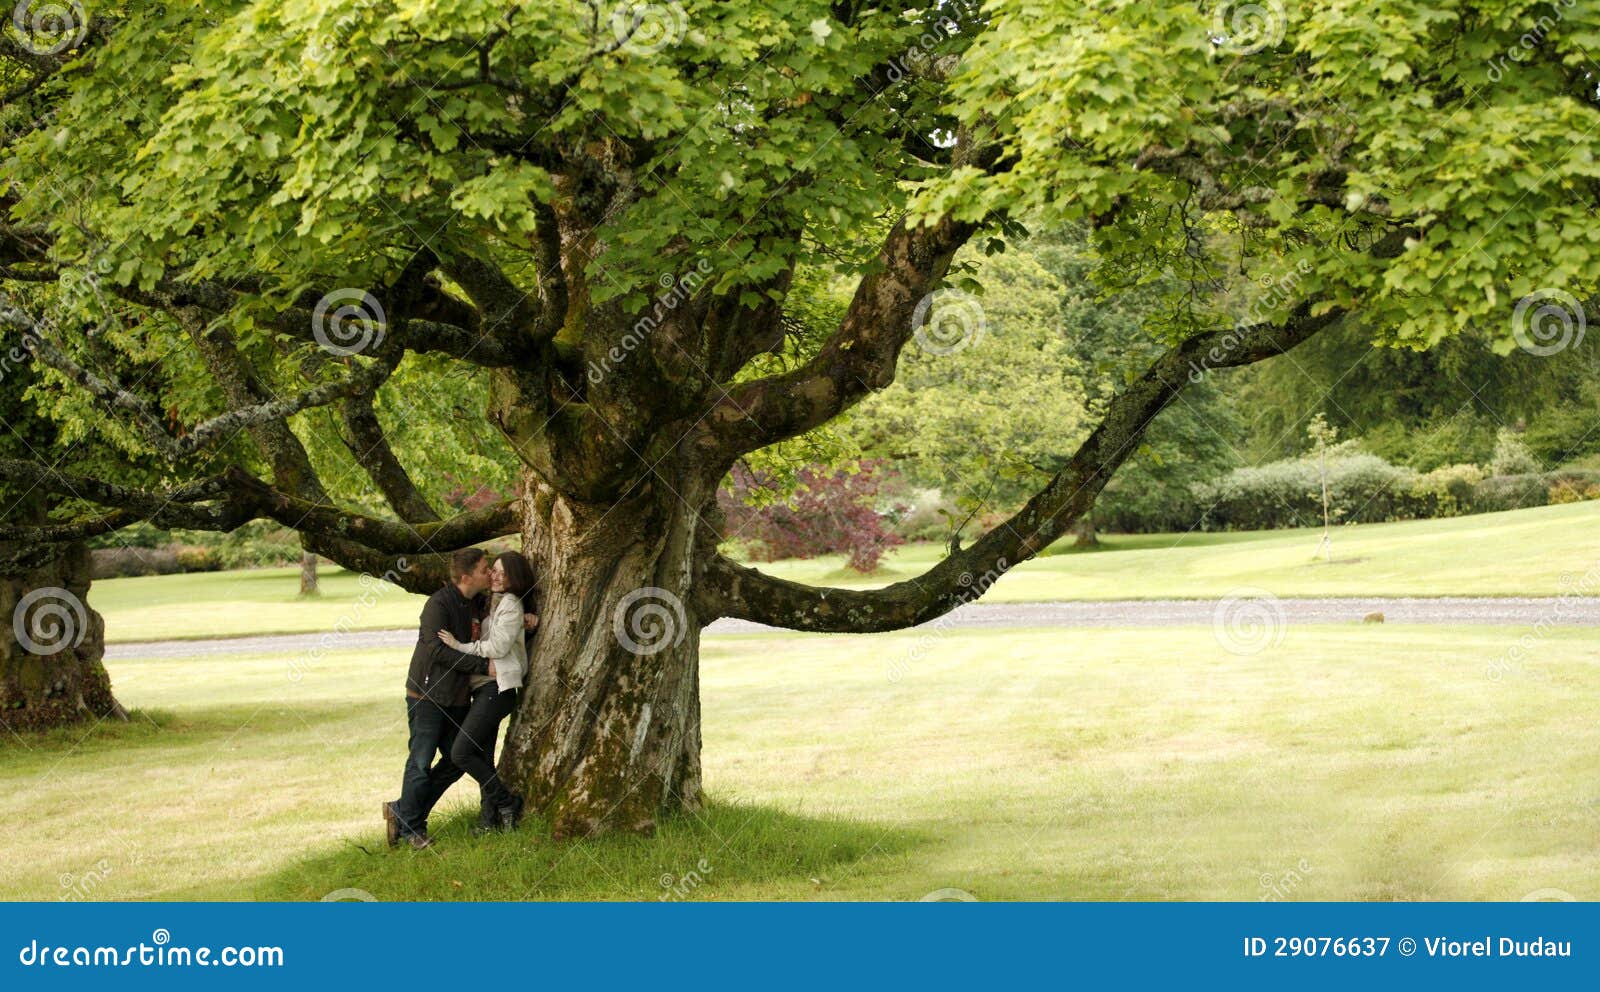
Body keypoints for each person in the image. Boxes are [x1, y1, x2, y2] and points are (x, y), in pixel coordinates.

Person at [381, 548, 494, 850]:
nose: (490, 573)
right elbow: (436, 650)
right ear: (467, 576)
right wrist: (483, 667)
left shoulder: (478, 603)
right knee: (420, 762)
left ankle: (402, 811)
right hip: (427, 697)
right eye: (485, 569)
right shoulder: (438, 604)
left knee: (457, 760)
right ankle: (414, 829)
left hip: (457, 699)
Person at [440, 551, 538, 834]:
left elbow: (497, 649)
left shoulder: (510, 604)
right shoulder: (496, 603)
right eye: (492, 571)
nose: (494, 576)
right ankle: (488, 821)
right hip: (483, 688)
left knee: (461, 752)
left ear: (514, 577)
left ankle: (508, 802)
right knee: (482, 757)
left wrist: (458, 646)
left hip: (498, 689)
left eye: (501, 572)